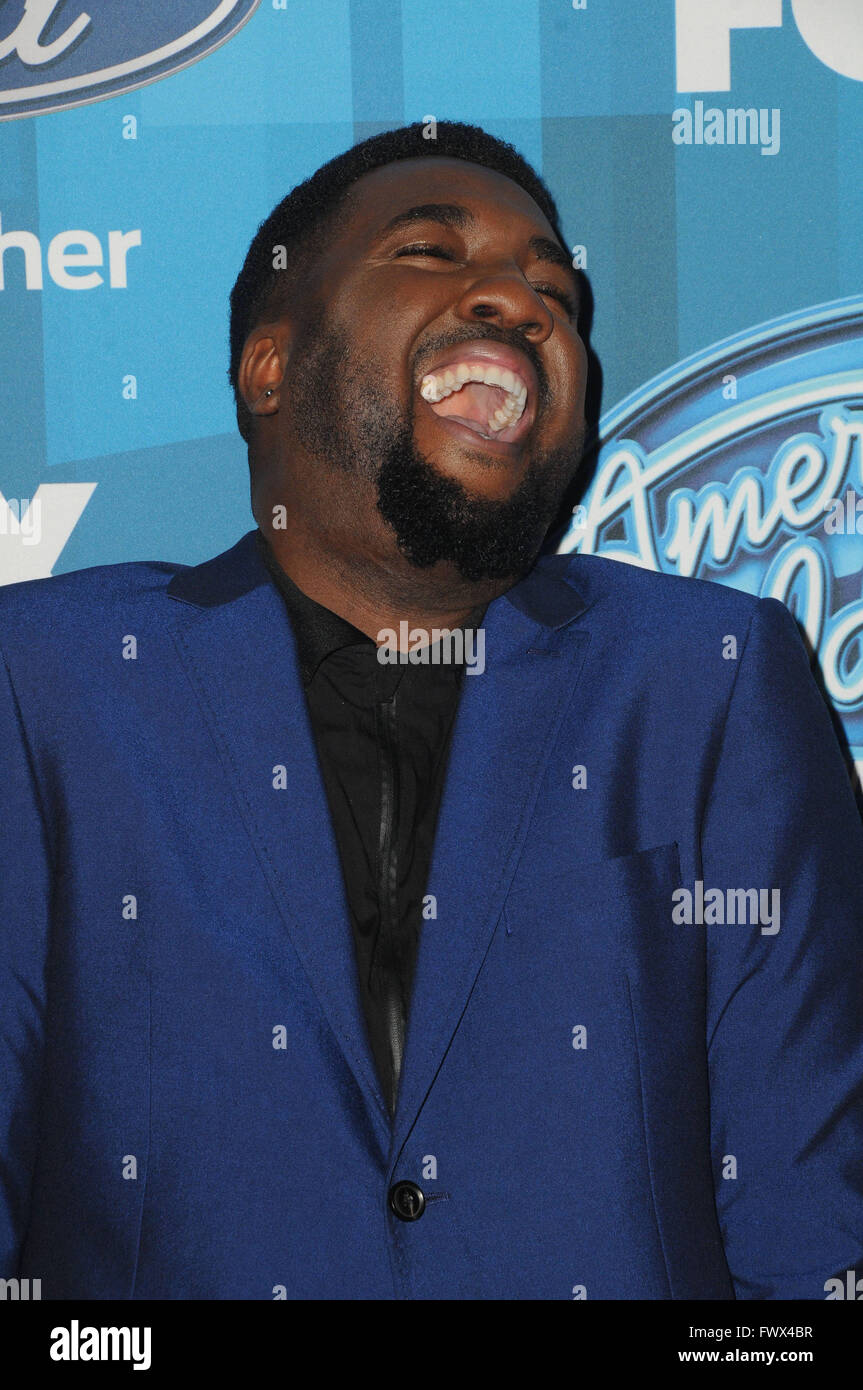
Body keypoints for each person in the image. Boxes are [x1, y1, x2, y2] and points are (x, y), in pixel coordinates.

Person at [1, 121, 861, 1301]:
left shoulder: (711, 676)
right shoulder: (48, 679)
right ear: (268, 361)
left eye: (551, 286)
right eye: (427, 252)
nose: (515, 299)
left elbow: (809, 1220)